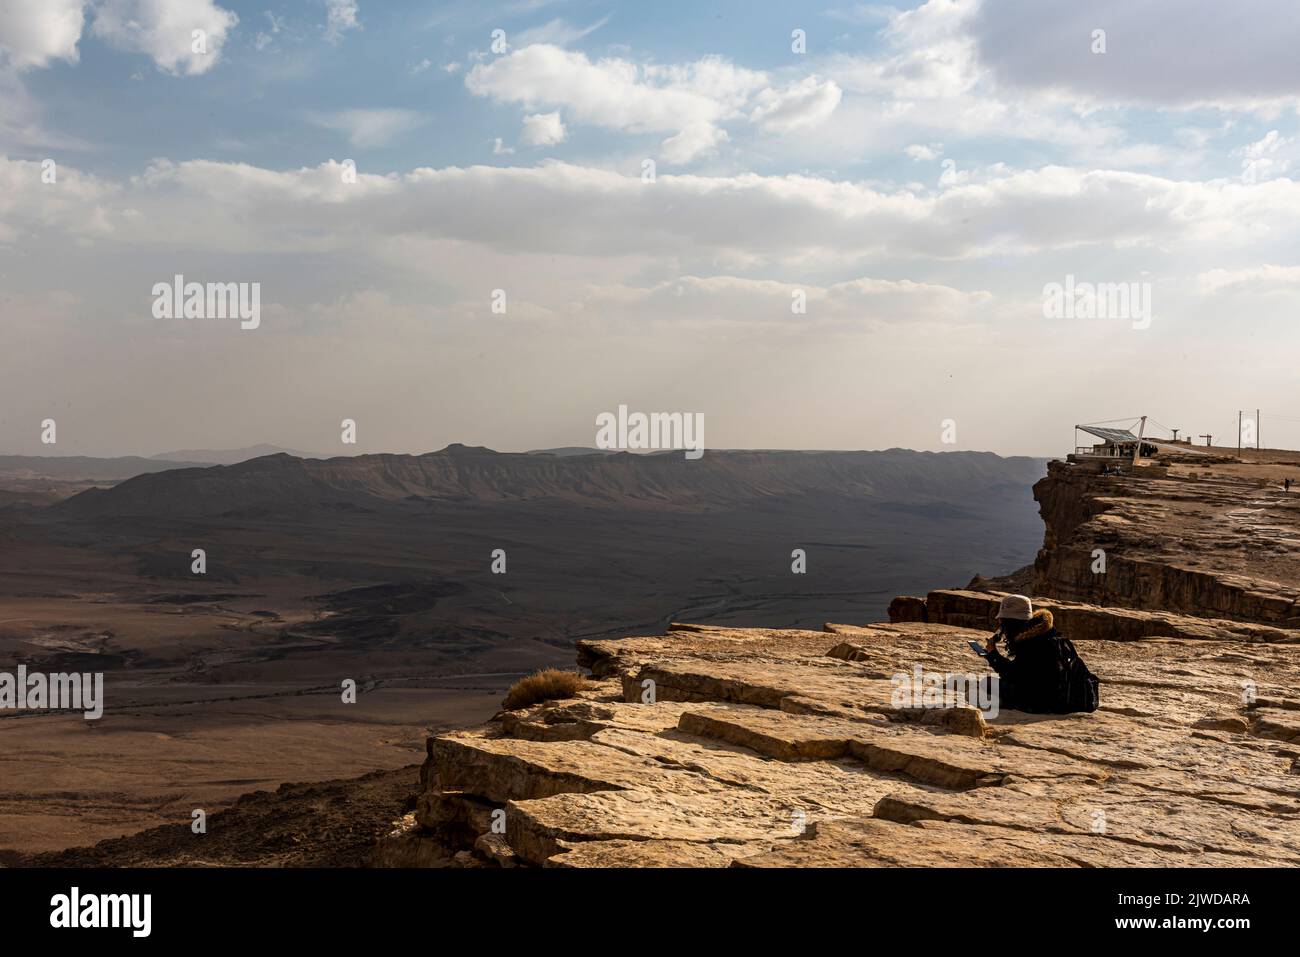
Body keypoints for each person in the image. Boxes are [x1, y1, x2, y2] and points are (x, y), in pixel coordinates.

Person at [982, 594, 1098, 714]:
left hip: (1041, 702)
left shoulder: (1031, 643)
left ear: (1011, 622)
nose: (1000, 622)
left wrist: (993, 655)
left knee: (988, 683)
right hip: (1056, 697)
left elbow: (1013, 675)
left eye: (1003, 620)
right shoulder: (1046, 635)